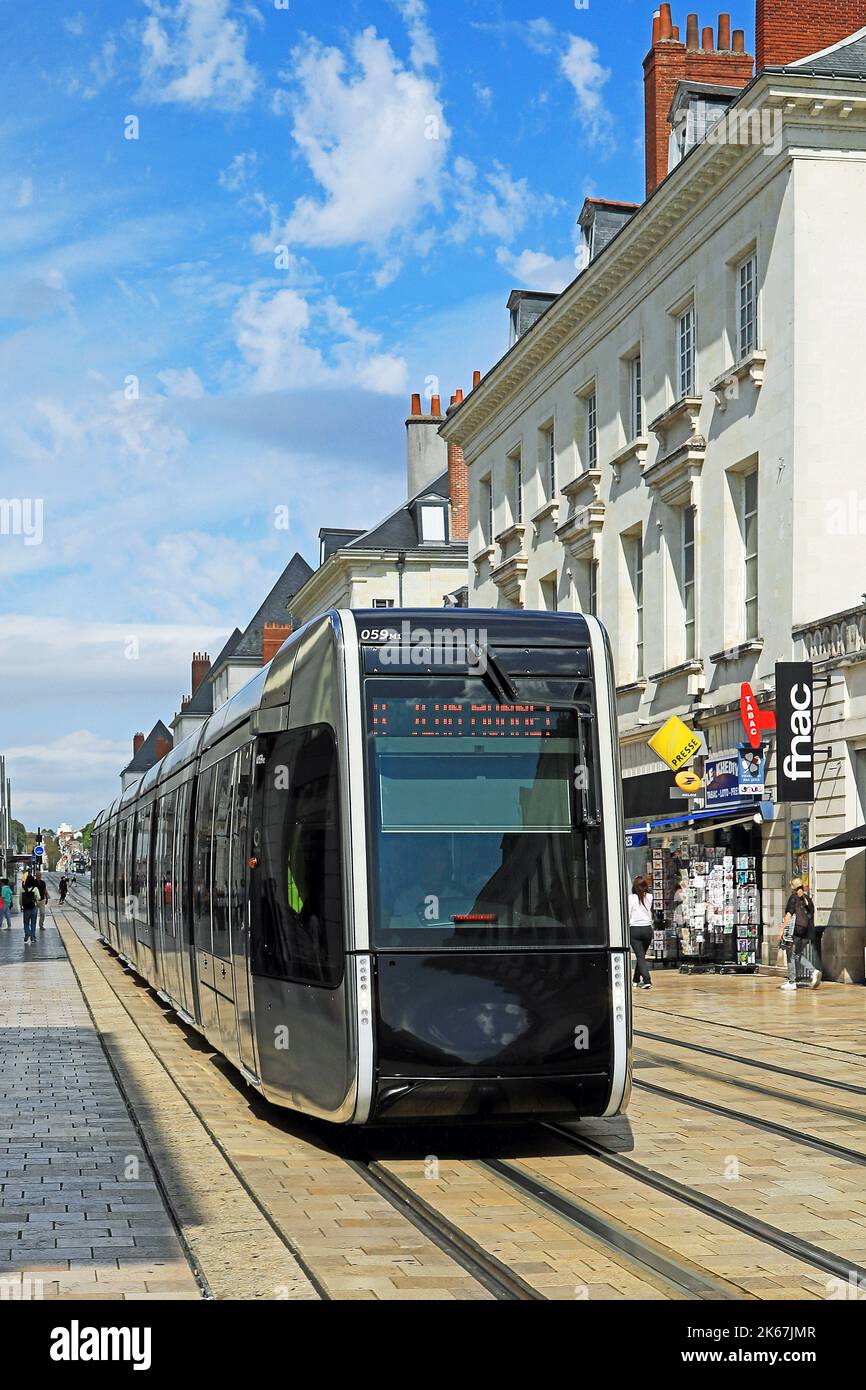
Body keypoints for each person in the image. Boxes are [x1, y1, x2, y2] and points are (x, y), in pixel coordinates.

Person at [779, 877, 818, 991]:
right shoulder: (807, 899)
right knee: (797, 954)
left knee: (790, 954)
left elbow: (788, 915)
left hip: (796, 931)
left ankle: (792, 982)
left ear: (793, 887)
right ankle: (813, 971)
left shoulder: (793, 898)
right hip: (808, 932)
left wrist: (781, 929)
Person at [629, 874, 654, 990]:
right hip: (647, 929)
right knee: (641, 955)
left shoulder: (631, 898)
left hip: (635, 929)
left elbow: (628, 914)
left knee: (640, 956)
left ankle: (647, 979)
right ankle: (635, 979)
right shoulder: (650, 897)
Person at [20, 873, 40, 944]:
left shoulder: (22, 888)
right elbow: (39, 898)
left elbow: (20, 899)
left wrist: (21, 906)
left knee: (26, 922)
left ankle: (27, 932)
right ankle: (33, 938)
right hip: (34, 907)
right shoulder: (35, 889)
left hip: (26, 908)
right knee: (33, 923)